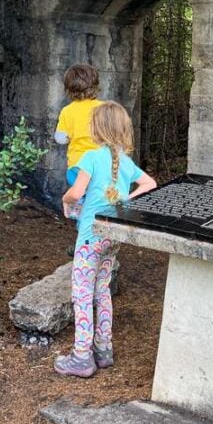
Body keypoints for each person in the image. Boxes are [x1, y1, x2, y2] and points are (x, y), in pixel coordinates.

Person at [54, 101, 156, 378]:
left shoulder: (90, 157)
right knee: (103, 291)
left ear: (96, 128)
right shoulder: (124, 160)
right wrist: (123, 205)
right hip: (112, 236)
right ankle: (104, 349)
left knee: (82, 295)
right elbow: (150, 184)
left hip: (90, 236)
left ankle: (82, 357)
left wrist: (64, 199)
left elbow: (76, 193)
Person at [54, 63, 103, 199]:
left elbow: (60, 138)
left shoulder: (67, 111)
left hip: (77, 166)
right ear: (95, 85)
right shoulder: (104, 108)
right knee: (101, 199)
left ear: (68, 88)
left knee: (80, 199)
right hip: (102, 166)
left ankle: (83, 217)